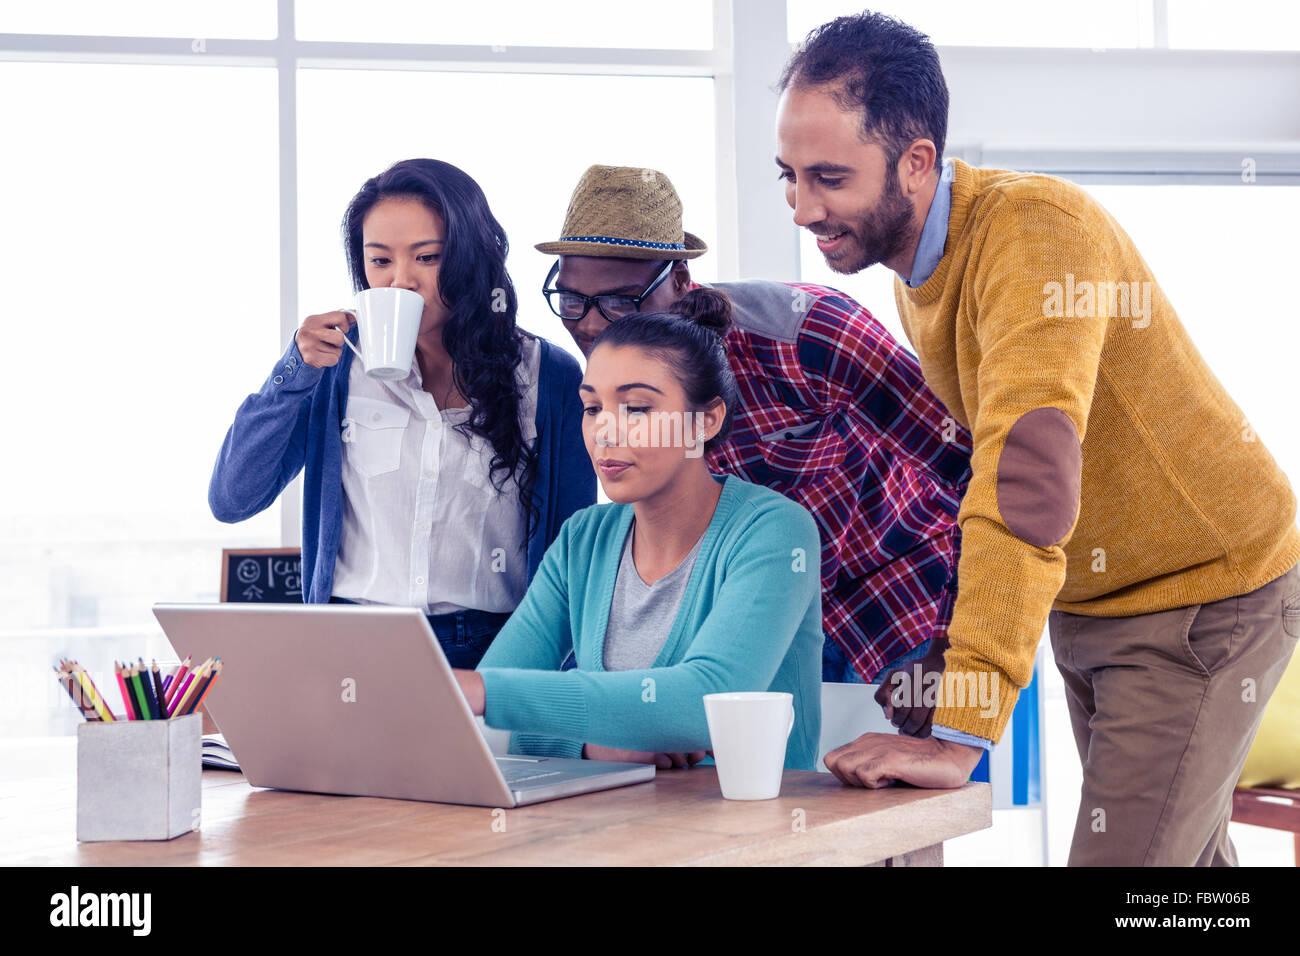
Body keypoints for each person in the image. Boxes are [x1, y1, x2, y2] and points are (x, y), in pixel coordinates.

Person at [778, 12, 1300, 865]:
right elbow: (977, 469)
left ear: (916, 162)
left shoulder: (1034, 232)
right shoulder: (921, 267)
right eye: (788, 177)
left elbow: (1027, 476)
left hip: (1206, 594)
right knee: (1181, 874)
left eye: (829, 177)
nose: (804, 208)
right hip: (1098, 601)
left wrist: (961, 734)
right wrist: (952, 653)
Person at [534, 163, 972, 739]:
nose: (591, 327)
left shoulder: (809, 337)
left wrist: (955, 646)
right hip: (755, 631)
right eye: (571, 301)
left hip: (897, 613)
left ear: (682, 283)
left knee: (900, 823)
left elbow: (977, 468)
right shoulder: (601, 393)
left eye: (619, 302)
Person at [208, 158, 594, 668]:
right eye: (380, 261)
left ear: (474, 259)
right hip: (351, 644)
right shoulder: (332, 367)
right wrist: (292, 373)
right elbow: (233, 498)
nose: (401, 282)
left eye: (428, 258)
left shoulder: (551, 376)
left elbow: (575, 554)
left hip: (494, 652)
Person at [452, 289, 824, 770]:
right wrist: (591, 748)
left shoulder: (773, 531)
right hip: (615, 830)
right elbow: (493, 724)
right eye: (592, 408)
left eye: (637, 408)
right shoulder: (582, 541)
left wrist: (484, 691)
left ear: (705, 420)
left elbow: (709, 701)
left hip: (755, 832)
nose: (606, 431)